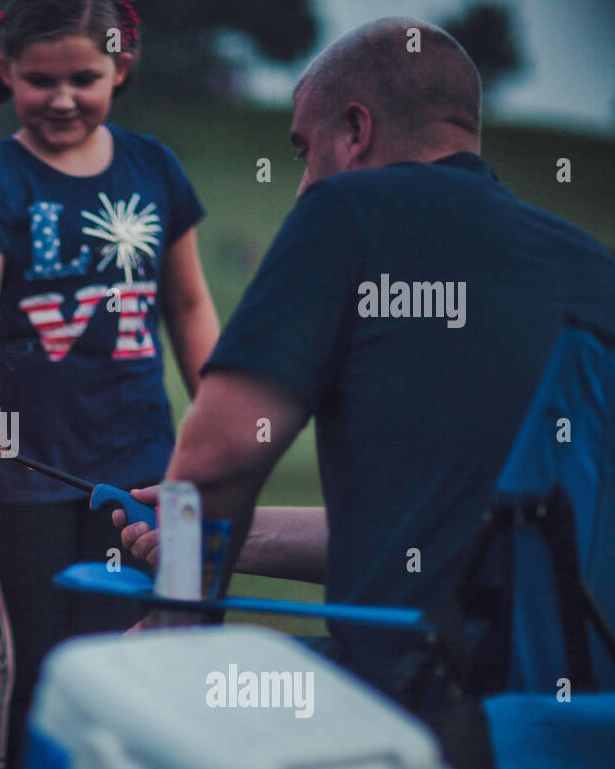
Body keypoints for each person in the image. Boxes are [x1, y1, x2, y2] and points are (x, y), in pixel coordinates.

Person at [117, 17, 615, 712]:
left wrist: (177, 621)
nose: (300, 189)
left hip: (420, 713)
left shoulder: (348, 211)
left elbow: (217, 461)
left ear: (354, 131)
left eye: (302, 150)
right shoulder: (593, 265)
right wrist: (243, 534)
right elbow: (470, 537)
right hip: (578, 730)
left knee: (103, 698)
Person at [0, 0, 220, 769]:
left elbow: (191, 307)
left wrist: (223, 416)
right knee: (36, 653)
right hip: (21, 462)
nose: (62, 98)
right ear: (6, 72)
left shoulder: (156, 170)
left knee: (127, 640)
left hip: (138, 457)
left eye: (83, 79)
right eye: (40, 80)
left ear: (120, 67)